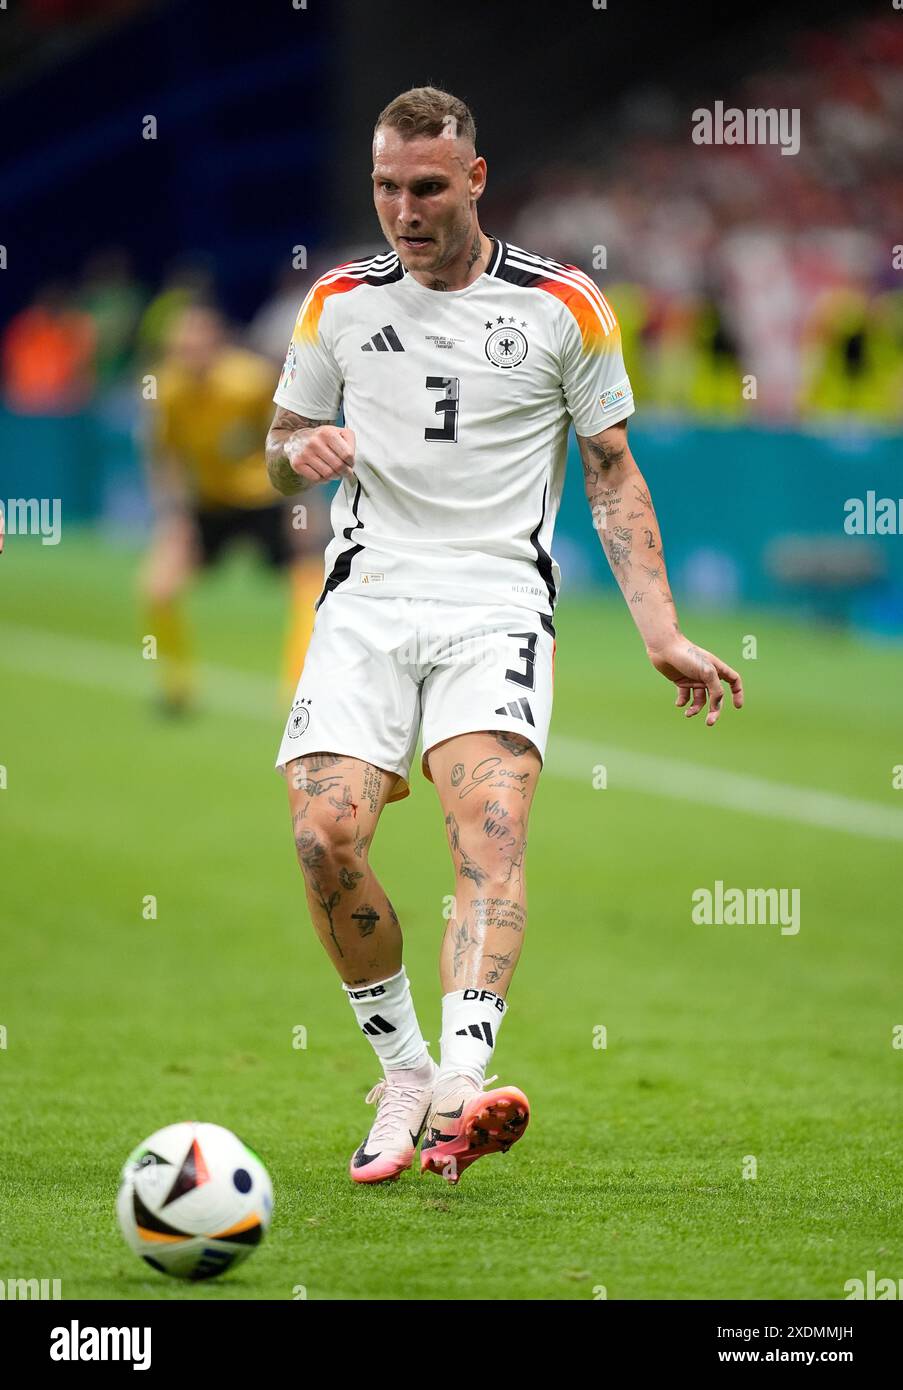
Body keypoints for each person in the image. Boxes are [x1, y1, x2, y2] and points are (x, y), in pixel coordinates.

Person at [265, 86, 743, 1186]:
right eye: (385, 185)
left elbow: (612, 469)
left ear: (476, 179)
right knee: (321, 835)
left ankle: (460, 1090)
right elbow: (277, 443)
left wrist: (660, 627)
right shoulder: (336, 300)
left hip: (496, 603)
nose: (402, 208)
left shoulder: (564, 306)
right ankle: (402, 1069)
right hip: (368, 597)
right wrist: (303, 454)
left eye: (426, 186)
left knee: (489, 825)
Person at [141, 300, 321, 711]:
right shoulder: (164, 390)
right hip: (207, 504)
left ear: (216, 342)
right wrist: (173, 518)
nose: (188, 353)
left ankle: (298, 689)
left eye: (196, 343)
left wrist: (303, 507)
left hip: (263, 500)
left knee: (311, 587)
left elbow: (288, 438)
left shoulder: (251, 381)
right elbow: (163, 456)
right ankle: (177, 684)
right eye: (179, 346)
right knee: (158, 587)